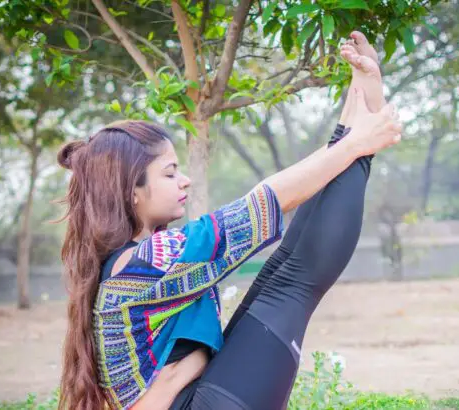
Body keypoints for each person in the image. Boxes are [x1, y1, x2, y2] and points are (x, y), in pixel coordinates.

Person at [57, 31, 398, 410]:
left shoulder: (125, 262)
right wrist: (358, 144)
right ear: (131, 192)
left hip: (202, 398)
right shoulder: (147, 262)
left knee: (282, 269)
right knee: (292, 282)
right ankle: (363, 140)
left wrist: (354, 113)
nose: (184, 180)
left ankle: (361, 122)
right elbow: (264, 203)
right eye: (169, 173)